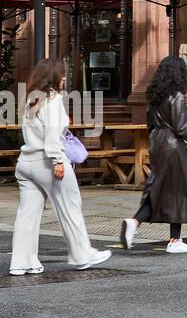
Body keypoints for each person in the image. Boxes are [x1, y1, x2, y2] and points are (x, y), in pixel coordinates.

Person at [9, 59, 111, 275]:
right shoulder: (53, 100)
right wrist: (57, 160)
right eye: (62, 74)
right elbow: (52, 135)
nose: (65, 77)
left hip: (26, 163)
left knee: (27, 213)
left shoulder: (31, 99)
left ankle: (21, 262)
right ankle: (82, 255)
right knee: (70, 206)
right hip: (48, 162)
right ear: (53, 76)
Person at [122, 57, 187, 254]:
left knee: (159, 189)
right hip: (172, 146)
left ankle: (134, 222)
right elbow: (183, 128)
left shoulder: (156, 96)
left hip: (157, 143)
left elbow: (150, 123)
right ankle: (174, 240)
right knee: (179, 191)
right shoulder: (176, 96)